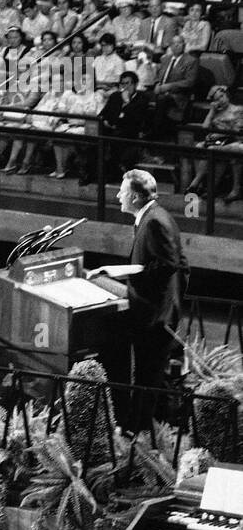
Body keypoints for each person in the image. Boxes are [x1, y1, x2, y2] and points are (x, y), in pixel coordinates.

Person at [91, 170, 189, 432]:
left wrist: (126, 272)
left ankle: (140, 435)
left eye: (122, 192)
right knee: (150, 375)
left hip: (154, 314)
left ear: (134, 196)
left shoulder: (155, 221)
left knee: (148, 376)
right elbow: (180, 265)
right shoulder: (154, 215)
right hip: (157, 309)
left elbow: (168, 265)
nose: (118, 196)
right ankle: (146, 427)